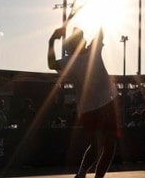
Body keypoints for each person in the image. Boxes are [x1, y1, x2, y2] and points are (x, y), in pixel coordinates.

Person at [49, 24, 119, 178]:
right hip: (105, 106)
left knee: (97, 145)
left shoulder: (68, 62)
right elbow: (101, 29)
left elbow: (50, 64)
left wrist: (52, 40)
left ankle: (80, 175)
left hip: (87, 111)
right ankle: (89, 176)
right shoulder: (92, 51)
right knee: (108, 145)